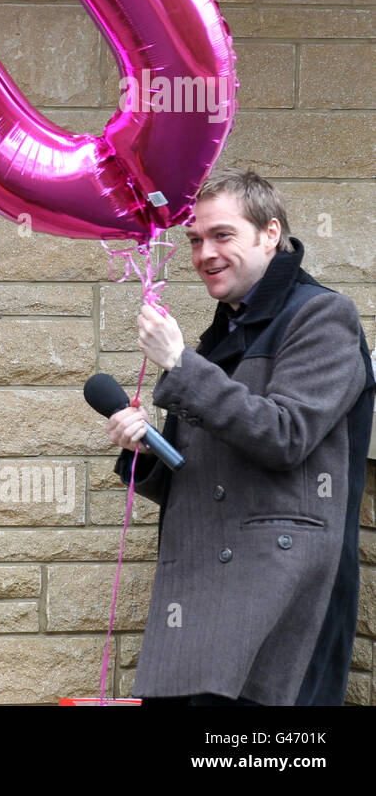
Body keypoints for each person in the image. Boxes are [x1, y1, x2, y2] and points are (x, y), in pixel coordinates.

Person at [105, 169, 374, 705]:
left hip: (279, 590)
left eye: (222, 235)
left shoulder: (322, 316)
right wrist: (148, 450)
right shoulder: (219, 335)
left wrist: (180, 363)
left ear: (270, 233)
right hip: (201, 591)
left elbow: (285, 434)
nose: (205, 253)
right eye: (196, 240)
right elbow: (203, 472)